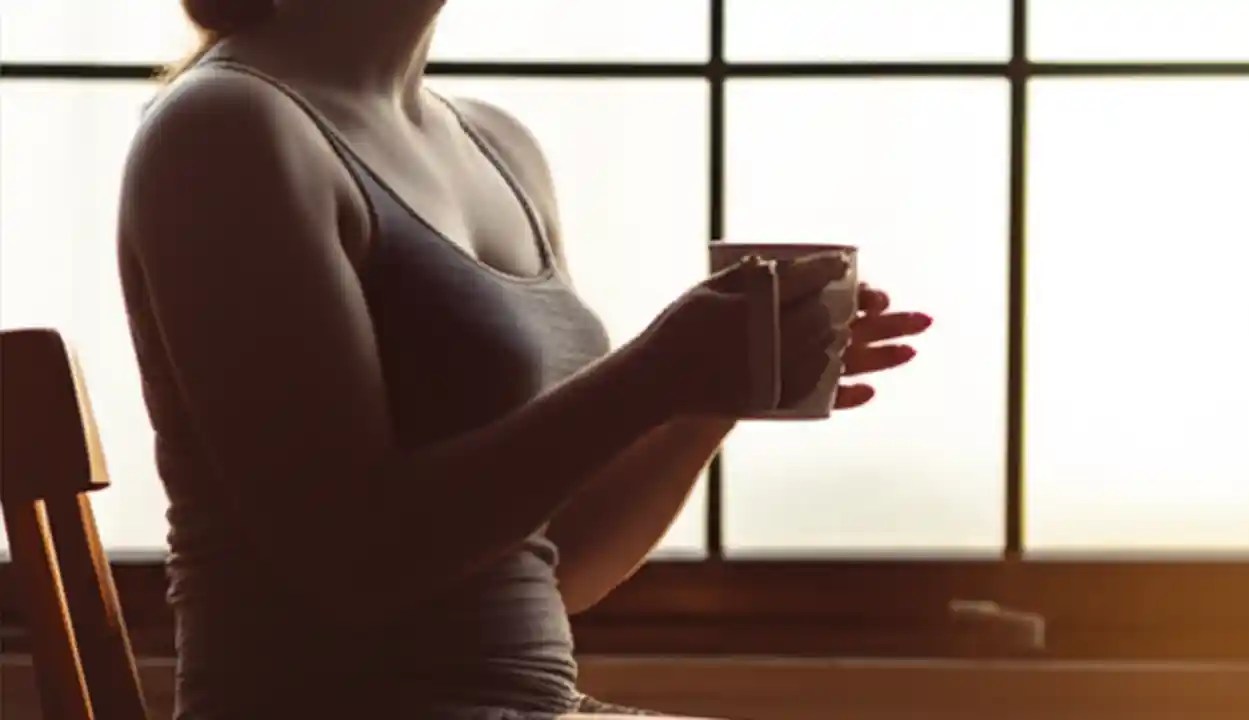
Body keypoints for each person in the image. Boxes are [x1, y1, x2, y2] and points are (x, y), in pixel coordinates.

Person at [116, 1, 934, 718]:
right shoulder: (227, 129)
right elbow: (353, 560)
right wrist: (654, 374)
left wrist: (707, 397)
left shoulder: (497, 145)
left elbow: (556, 570)